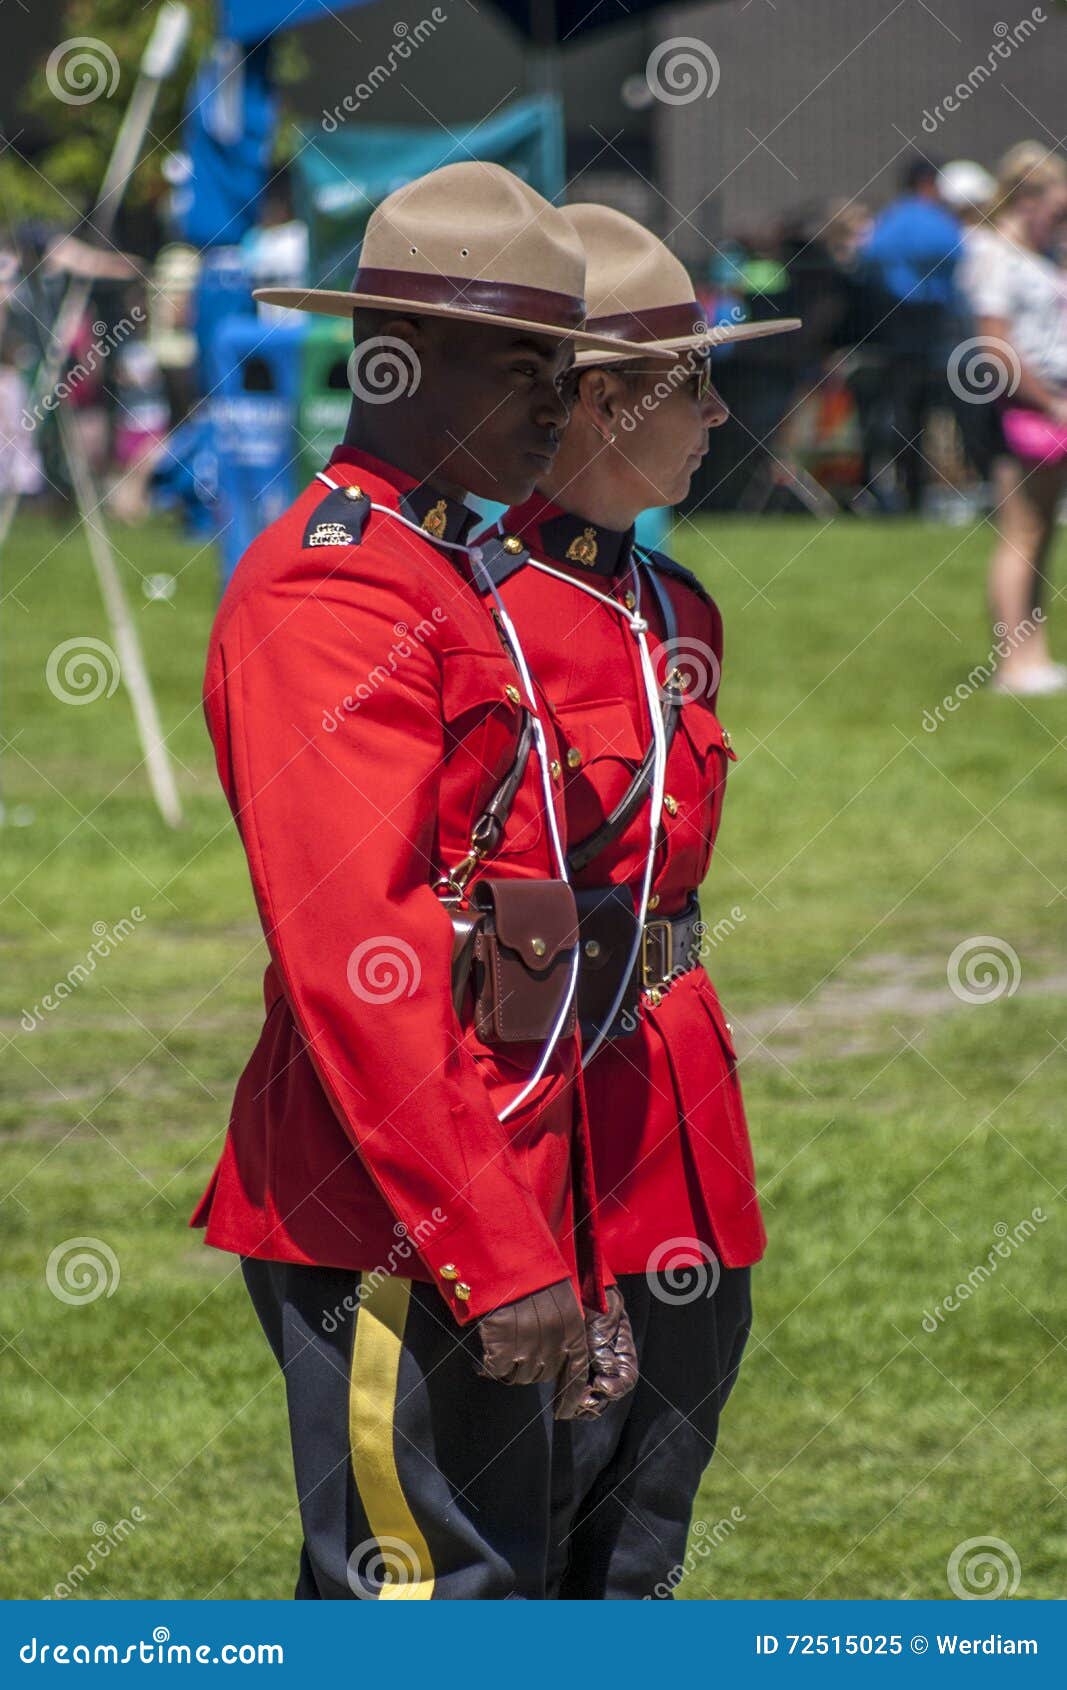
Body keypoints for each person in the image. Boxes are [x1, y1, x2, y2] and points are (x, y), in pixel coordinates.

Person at [188, 161, 653, 1600]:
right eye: (522, 368)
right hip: (390, 1210)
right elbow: (361, 955)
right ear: (400, 358)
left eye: (564, 369)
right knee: (423, 1603)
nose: (552, 406)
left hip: (474, 1171)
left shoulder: (435, 562)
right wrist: (493, 1244)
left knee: (488, 1582)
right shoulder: (337, 588)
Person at [477, 205, 800, 1598]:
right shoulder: (478, 607)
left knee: (652, 1512)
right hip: (543, 1110)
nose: (720, 413)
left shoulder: (680, 611)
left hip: (676, 1100)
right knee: (524, 1522)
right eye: (692, 383)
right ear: (602, 401)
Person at [957, 143, 1067, 694]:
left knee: (1044, 531)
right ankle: (1012, 662)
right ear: (1026, 199)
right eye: (1056, 208)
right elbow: (994, 346)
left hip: (1046, 400)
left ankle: (1036, 654)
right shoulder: (994, 254)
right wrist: (1049, 401)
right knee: (1021, 532)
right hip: (1013, 407)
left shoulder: (1039, 254)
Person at [863, 156, 963, 512]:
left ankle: (905, 489)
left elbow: (868, 258)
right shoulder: (940, 221)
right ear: (929, 183)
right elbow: (959, 255)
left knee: (902, 410)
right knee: (938, 410)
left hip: (895, 323)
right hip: (933, 325)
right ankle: (922, 491)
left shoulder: (889, 221)